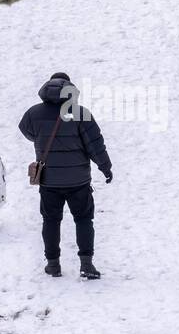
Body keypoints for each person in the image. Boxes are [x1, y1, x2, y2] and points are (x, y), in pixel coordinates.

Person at [18, 73, 112, 279]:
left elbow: (26, 131)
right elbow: (95, 145)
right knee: (84, 220)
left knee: (51, 221)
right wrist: (105, 167)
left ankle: (53, 265)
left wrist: (42, 138)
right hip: (79, 180)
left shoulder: (33, 113)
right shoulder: (80, 113)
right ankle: (86, 264)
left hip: (49, 180)